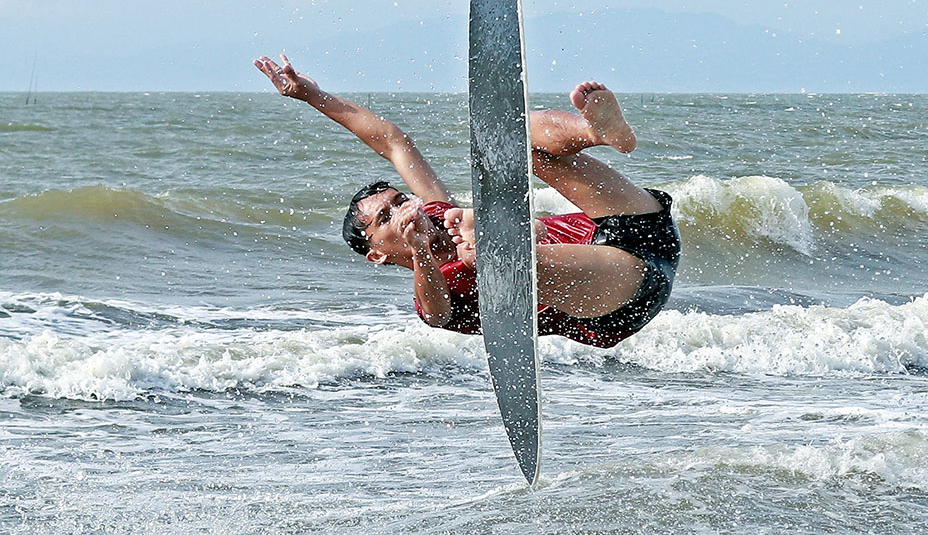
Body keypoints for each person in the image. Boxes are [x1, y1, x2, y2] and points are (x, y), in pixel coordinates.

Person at [254, 54, 680, 348]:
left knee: (507, 137)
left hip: (643, 226)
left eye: (399, 199)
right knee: (481, 252)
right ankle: (510, 238)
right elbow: (437, 315)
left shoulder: (440, 212)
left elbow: (391, 142)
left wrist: (311, 95)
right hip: (619, 298)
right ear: (378, 255)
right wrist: (423, 248)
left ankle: (600, 134)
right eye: (386, 217)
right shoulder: (434, 292)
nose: (405, 208)